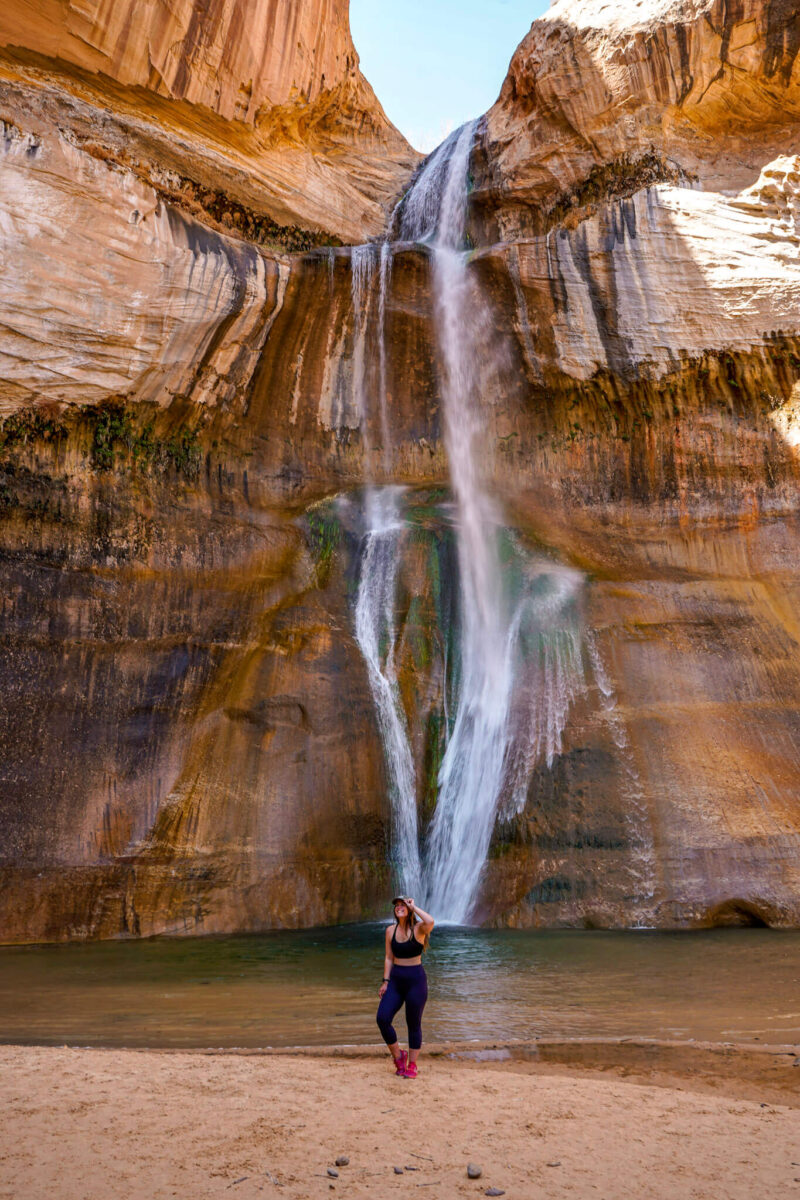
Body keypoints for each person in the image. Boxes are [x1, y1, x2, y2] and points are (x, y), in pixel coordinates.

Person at [376, 895, 435, 1079]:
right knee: (382, 1018)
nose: (399, 907)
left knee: (413, 1023)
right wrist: (385, 981)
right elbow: (388, 957)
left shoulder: (419, 929)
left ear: (409, 909)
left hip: (416, 980)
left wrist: (414, 907)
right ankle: (398, 1057)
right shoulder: (389, 930)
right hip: (396, 980)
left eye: (403, 905)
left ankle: (413, 1065)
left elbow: (431, 920)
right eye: (397, 905)